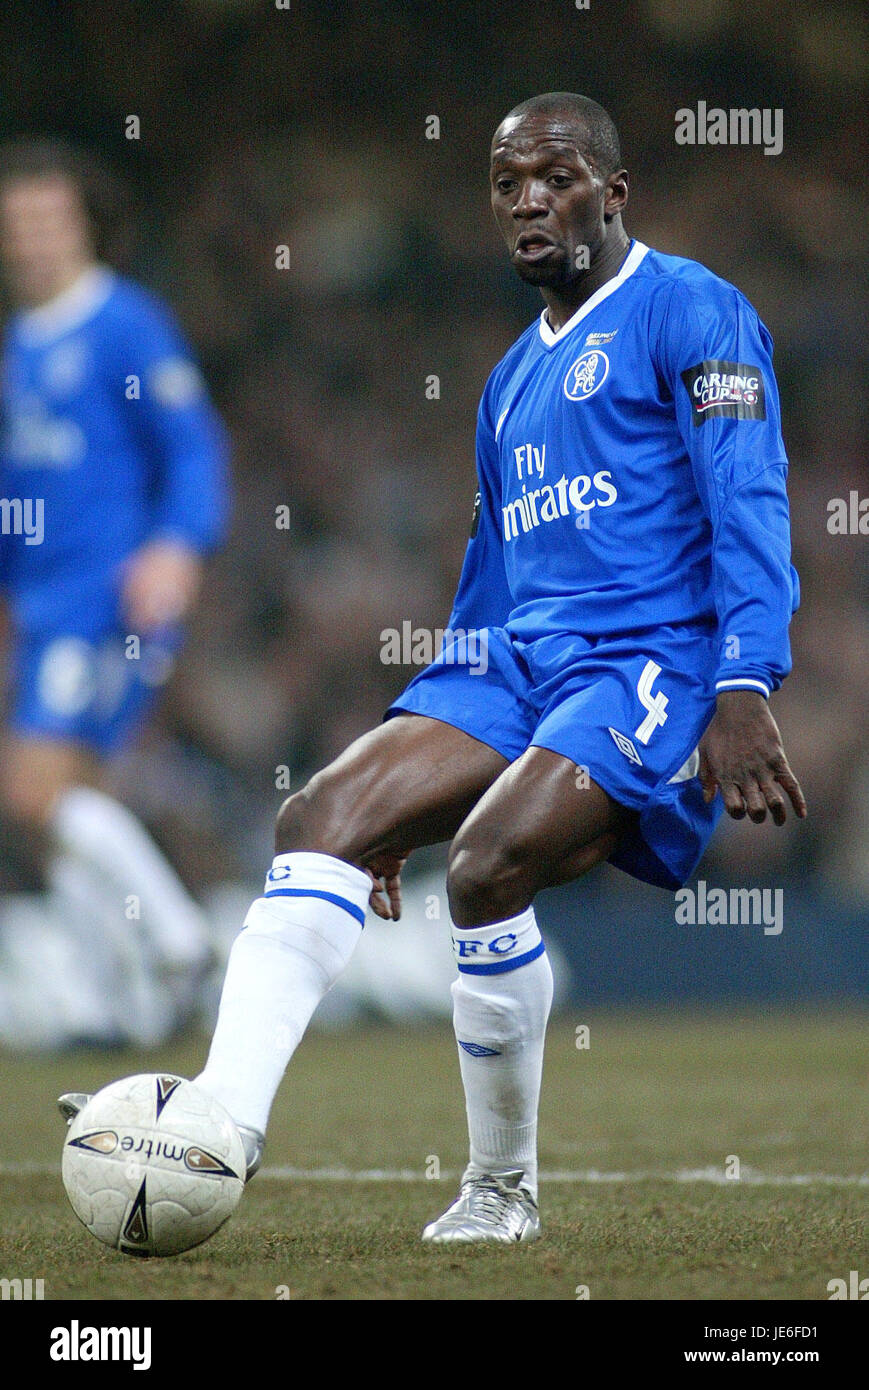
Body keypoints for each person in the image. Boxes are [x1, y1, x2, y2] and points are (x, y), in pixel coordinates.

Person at [61, 92, 806, 1238]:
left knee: (487, 865)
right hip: (512, 659)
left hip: (642, 661)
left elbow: (746, 496)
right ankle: (218, 1123)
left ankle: (499, 1189)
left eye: (553, 179)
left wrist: (744, 679)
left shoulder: (690, 309)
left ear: (613, 195)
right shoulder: (510, 378)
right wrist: (427, 753)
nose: (525, 203)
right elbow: (490, 575)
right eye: (505, 184)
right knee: (319, 819)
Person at [0, 138, 230, 1044]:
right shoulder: (19, 345)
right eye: (16, 223)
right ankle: (120, 1002)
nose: (32, 238)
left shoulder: (125, 323)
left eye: (49, 219)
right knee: (63, 806)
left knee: (32, 791)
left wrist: (177, 547)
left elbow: (192, 445)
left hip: (108, 590)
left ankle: (177, 940)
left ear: (86, 226)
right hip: (44, 601)